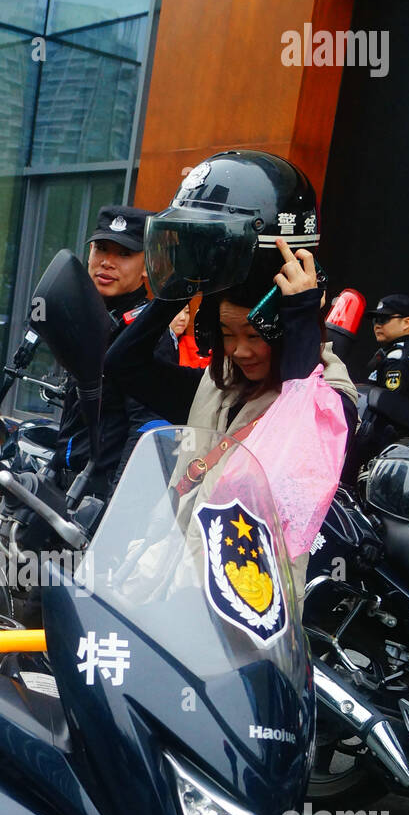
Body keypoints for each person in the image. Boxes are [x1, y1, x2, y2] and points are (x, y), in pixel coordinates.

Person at [104, 150, 358, 600]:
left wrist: (299, 311)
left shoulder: (328, 400)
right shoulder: (218, 387)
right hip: (170, 599)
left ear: (283, 331)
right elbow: (123, 363)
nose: (239, 350)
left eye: (255, 335)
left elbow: (298, 430)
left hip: (245, 619)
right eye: (225, 333)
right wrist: (182, 282)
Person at [52, 204, 178, 497]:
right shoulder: (91, 320)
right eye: (101, 249)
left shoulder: (148, 332)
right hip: (66, 487)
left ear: (149, 265)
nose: (107, 262)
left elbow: (148, 432)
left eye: (123, 254)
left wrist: (115, 506)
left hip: (100, 500)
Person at [342, 293, 409, 480]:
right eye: (375, 319)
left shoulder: (397, 357)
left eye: (384, 318)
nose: (377, 324)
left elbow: (390, 410)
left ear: (406, 322)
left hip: (389, 451)